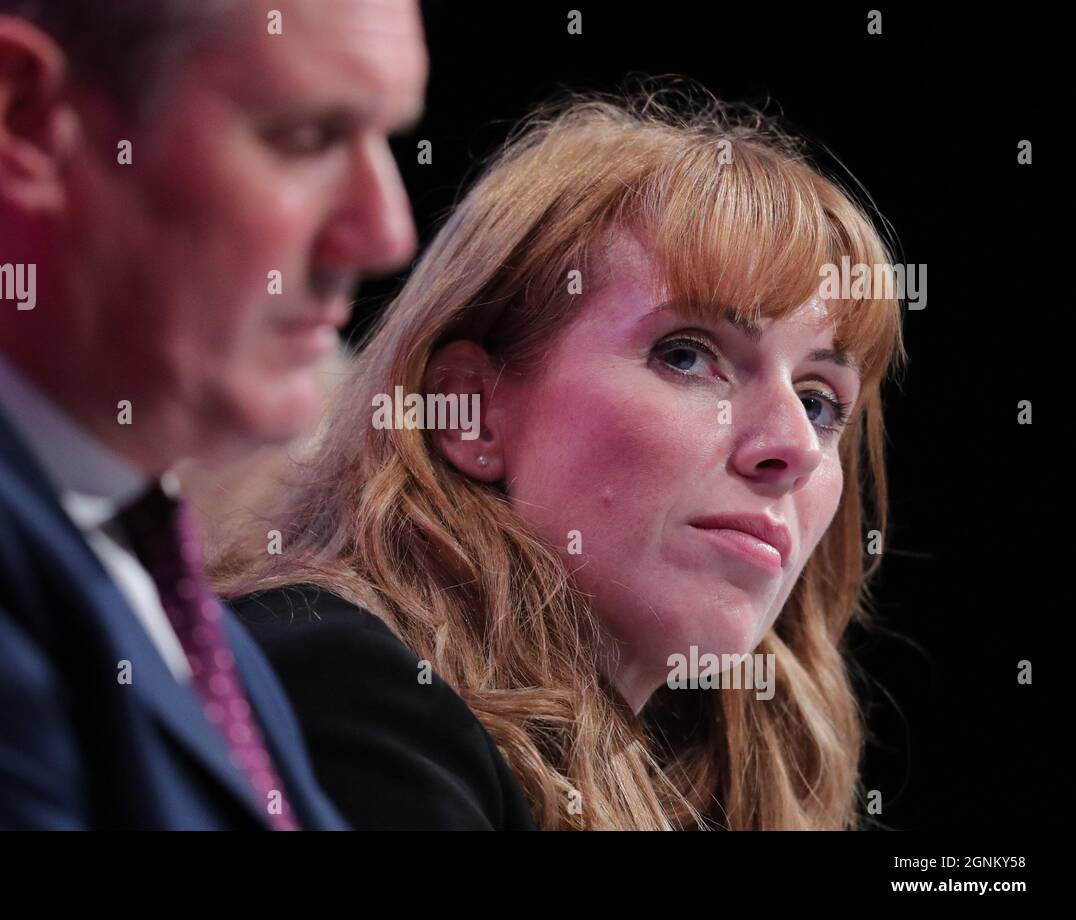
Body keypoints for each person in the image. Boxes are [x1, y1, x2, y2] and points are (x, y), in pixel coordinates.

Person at [0, 0, 426, 830]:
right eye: (306, 139)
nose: (384, 234)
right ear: (26, 120)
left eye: (387, 139)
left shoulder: (153, 569)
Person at [216, 88, 908, 830]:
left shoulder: (693, 788)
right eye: (688, 356)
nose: (795, 446)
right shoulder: (347, 685)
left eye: (819, 400)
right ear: (471, 411)